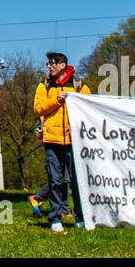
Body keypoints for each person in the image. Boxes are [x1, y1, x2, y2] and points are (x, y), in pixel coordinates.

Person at [32, 52, 89, 233]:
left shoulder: (79, 86)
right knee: (55, 180)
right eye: (48, 63)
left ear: (63, 65)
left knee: (76, 180)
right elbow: (38, 108)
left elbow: (90, 108)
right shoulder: (45, 85)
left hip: (74, 141)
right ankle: (55, 218)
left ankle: (81, 216)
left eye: (52, 63)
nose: (49, 66)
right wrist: (56, 100)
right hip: (52, 140)